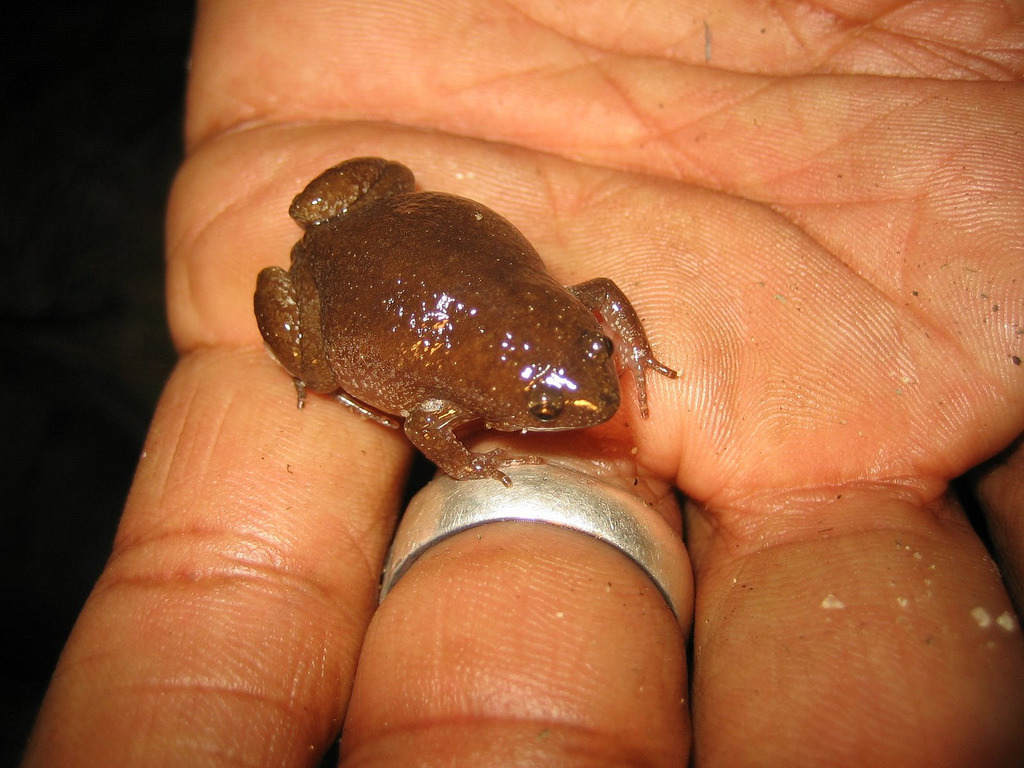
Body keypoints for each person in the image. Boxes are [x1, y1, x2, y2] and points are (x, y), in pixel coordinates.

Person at [23, 2, 1024, 765]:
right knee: (321, 357)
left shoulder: (578, 326)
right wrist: (467, 458)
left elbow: (596, 296)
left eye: (586, 367)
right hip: (334, 282)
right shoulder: (462, 399)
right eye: (555, 408)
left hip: (391, 227)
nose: (591, 407)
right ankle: (309, 366)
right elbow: (422, 412)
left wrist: (625, 355)